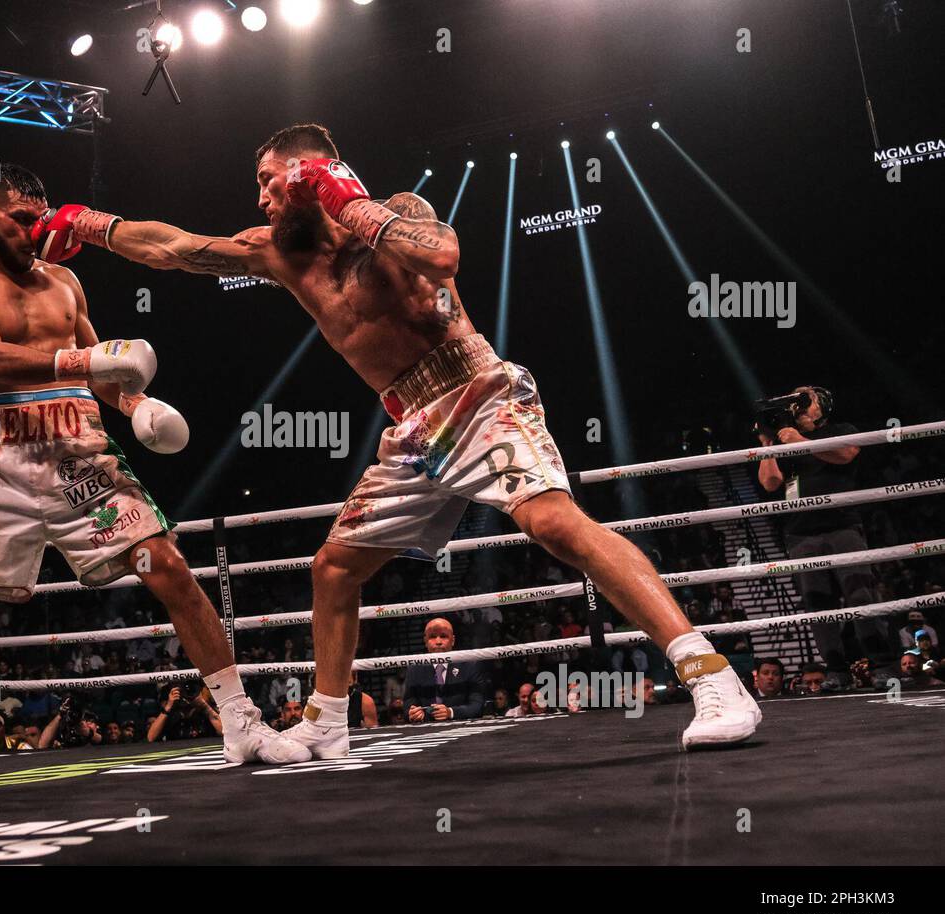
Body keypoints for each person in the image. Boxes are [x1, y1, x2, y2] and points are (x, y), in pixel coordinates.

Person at [57, 122, 761, 756]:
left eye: (271, 181)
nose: (262, 200)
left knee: (552, 521)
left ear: (313, 170)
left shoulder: (395, 213)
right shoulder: (273, 253)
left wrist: (346, 199)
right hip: (413, 427)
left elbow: (443, 255)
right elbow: (174, 249)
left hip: (475, 392)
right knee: (333, 568)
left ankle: (713, 677)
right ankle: (328, 720)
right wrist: (82, 220)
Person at [0, 164, 308, 795]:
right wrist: (85, 361)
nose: (33, 232)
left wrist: (138, 407)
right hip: (0, 461)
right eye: (20, 219)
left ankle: (242, 722)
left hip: (82, 455)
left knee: (169, 566)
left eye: (40, 220)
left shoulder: (67, 282)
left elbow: (105, 371)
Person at [756, 386, 885, 676]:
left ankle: (882, 666)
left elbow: (846, 454)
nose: (798, 405)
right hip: (801, 534)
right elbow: (770, 482)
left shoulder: (840, 429)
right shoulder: (782, 441)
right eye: (794, 400)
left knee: (861, 596)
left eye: (806, 399)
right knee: (817, 605)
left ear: (822, 406)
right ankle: (836, 671)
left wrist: (800, 439)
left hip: (842, 526)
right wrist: (768, 443)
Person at [403, 618, 488, 722]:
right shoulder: (415, 668)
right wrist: (413, 714)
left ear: (453, 640)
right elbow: (408, 706)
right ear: (425, 641)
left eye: (443, 636)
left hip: (461, 727)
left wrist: (450, 712)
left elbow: (477, 706)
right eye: (432, 637)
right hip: (427, 730)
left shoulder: (469, 665)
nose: (438, 642)